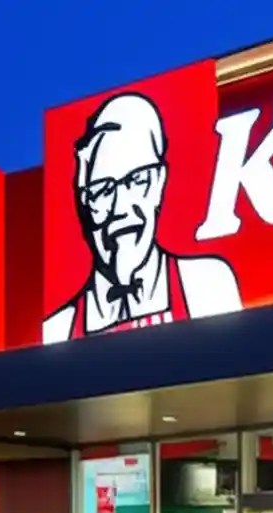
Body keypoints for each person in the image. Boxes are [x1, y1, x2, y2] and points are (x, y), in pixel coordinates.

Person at [43, 92, 242, 344]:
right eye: (103, 189)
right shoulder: (57, 331)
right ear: (85, 201)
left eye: (137, 180)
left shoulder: (207, 284)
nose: (121, 208)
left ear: (159, 182)